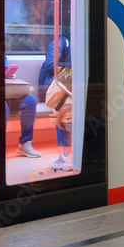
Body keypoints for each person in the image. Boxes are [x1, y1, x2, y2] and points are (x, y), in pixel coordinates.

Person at [39, 35, 73, 170]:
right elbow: (51, 65)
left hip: (70, 83)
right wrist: (71, 67)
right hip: (54, 84)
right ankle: (66, 155)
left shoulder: (82, 44)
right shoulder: (60, 42)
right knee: (65, 105)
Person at [4, 56, 40, 158]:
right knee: (2, 107)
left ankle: (25, 143)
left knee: (30, 102)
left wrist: (11, 76)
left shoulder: (0, 56)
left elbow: (8, 75)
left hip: (7, 94)